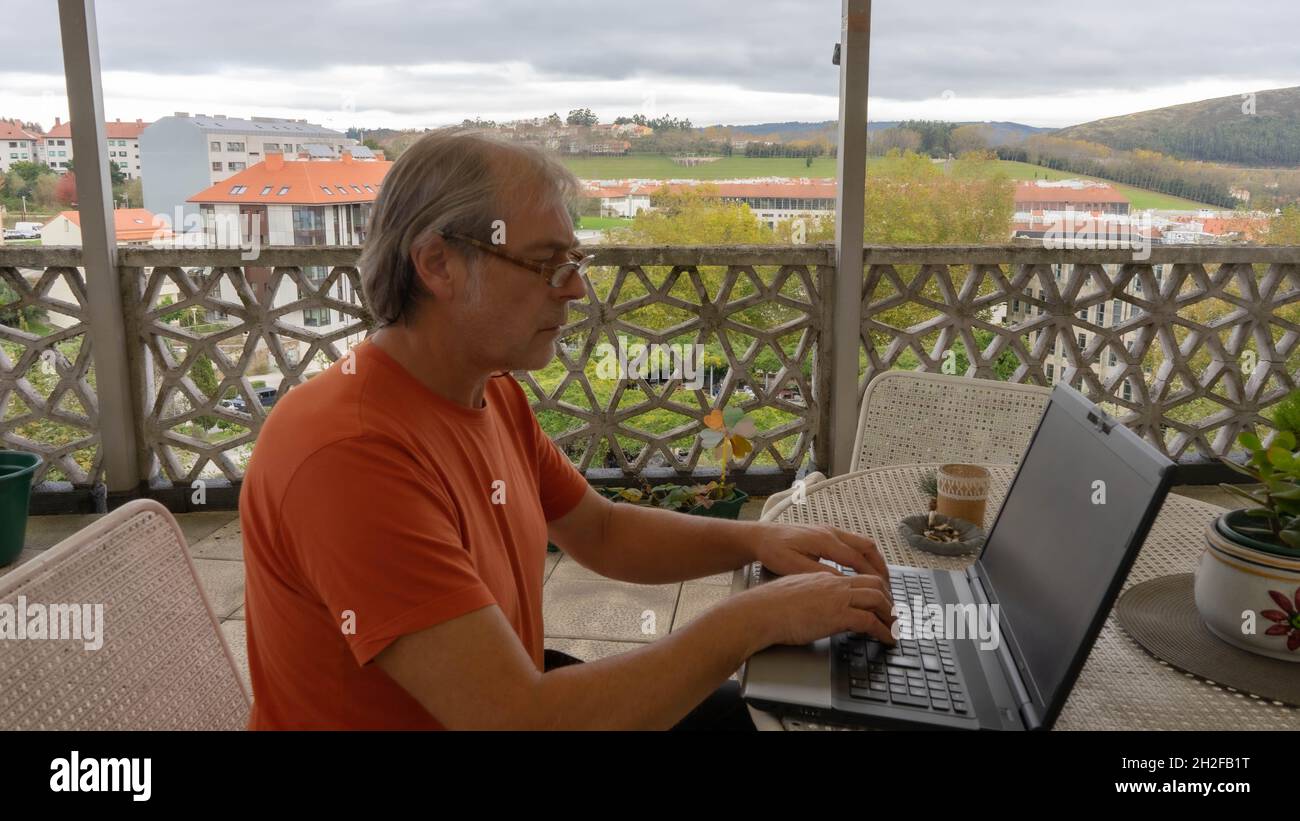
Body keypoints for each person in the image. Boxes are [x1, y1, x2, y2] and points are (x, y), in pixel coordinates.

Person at [239, 128, 895, 730]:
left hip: (519, 696)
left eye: (575, 260)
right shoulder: (348, 455)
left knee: (752, 712)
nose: (576, 288)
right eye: (546, 263)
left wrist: (759, 540)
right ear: (437, 263)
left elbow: (601, 530)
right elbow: (519, 721)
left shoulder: (490, 393)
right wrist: (756, 618)